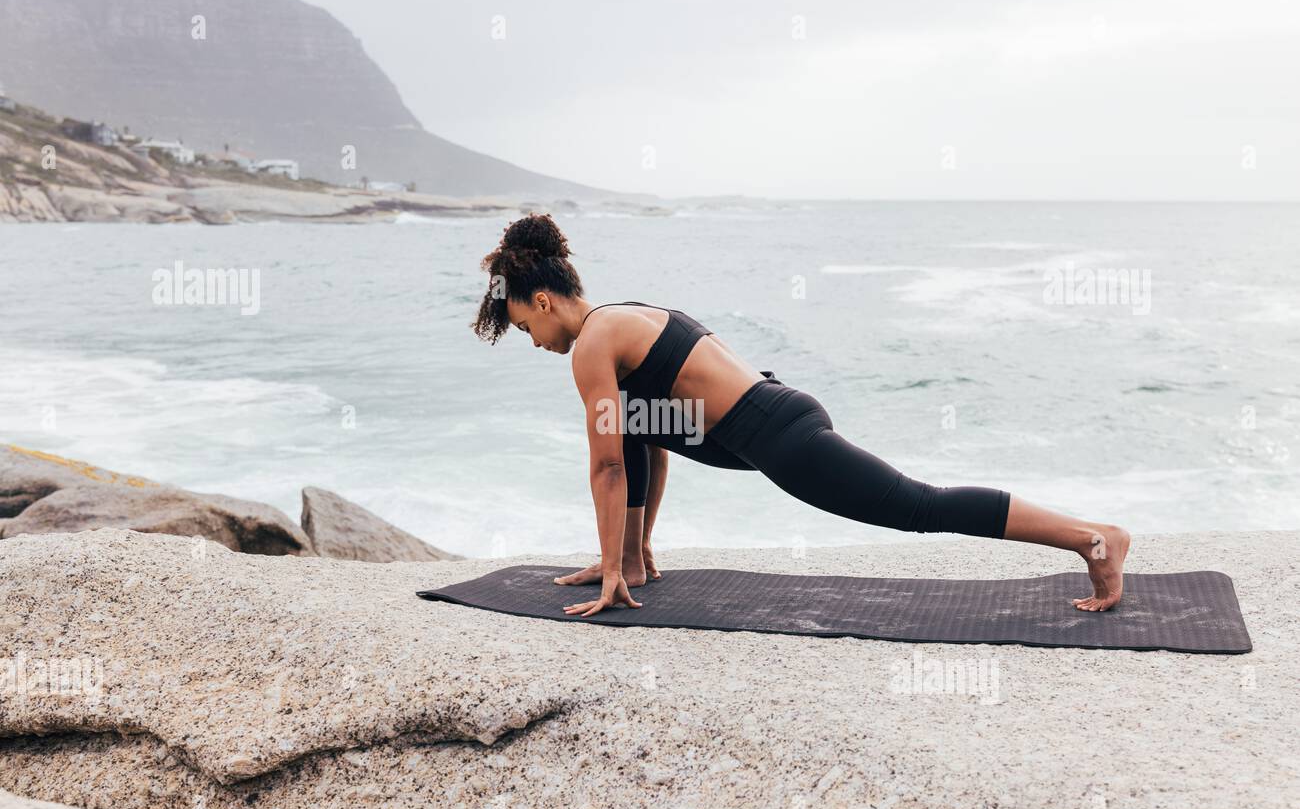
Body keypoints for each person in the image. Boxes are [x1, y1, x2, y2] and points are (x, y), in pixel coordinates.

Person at [473, 213, 1130, 618]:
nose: (534, 340)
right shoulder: (623, 316)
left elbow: (609, 467)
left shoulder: (591, 344)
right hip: (771, 411)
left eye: (527, 324)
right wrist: (629, 554)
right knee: (638, 419)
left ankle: (1091, 538)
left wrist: (608, 575)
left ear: (543, 299)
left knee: (920, 506)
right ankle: (639, 559)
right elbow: (646, 436)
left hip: (776, 435)